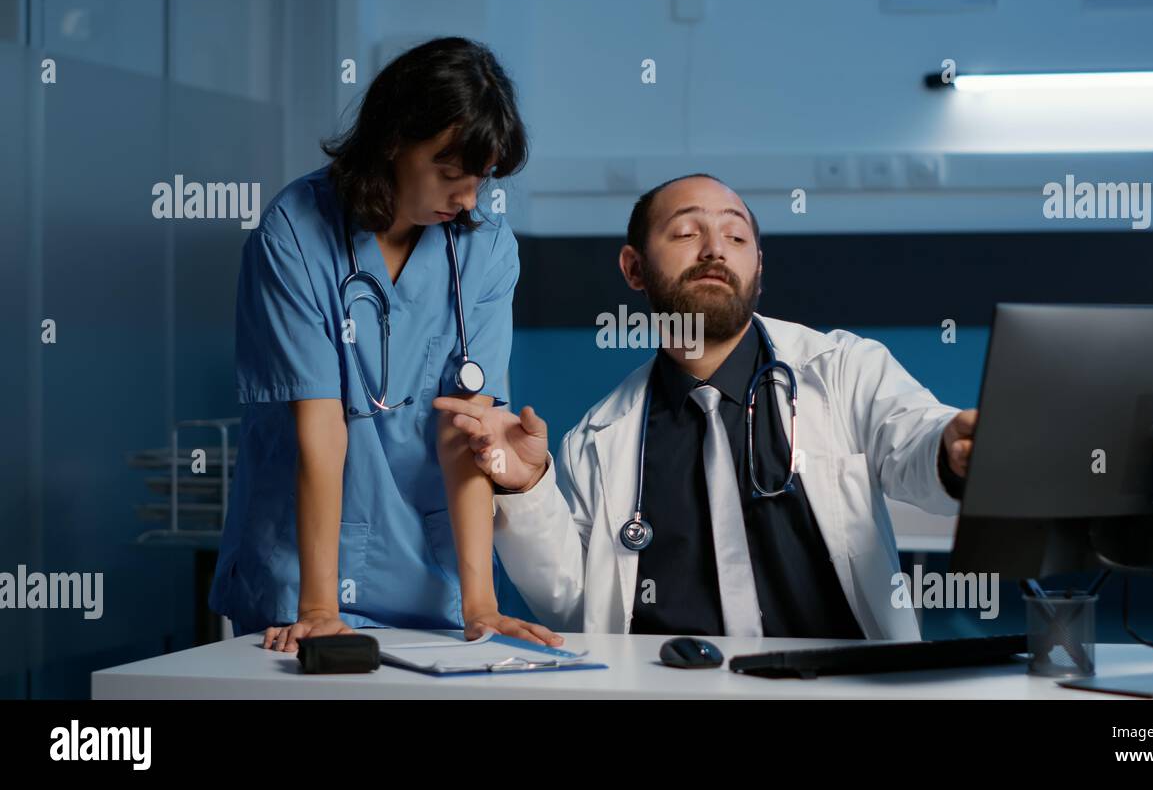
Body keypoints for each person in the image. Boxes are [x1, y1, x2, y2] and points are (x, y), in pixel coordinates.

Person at [435, 173, 977, 640]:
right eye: (687, 233)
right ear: (634, 268)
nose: (715, 249)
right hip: (665, 687)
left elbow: (913, 438)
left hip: (836, 687)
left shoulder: (843, 371)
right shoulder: (597, 438)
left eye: (736, 235)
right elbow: (572, 602)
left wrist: (949, 447)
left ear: (757, 266)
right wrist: (528, 489)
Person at [209, 37, 562, 653]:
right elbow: (319, 426)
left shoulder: (487, 248)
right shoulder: (295, 232)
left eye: (480, 178)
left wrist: (481, 604)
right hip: (303, 578)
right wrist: (319, 607)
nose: (469, 199)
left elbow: (470, 430)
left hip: (430, 577)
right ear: (394, 140)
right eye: (450, 175)